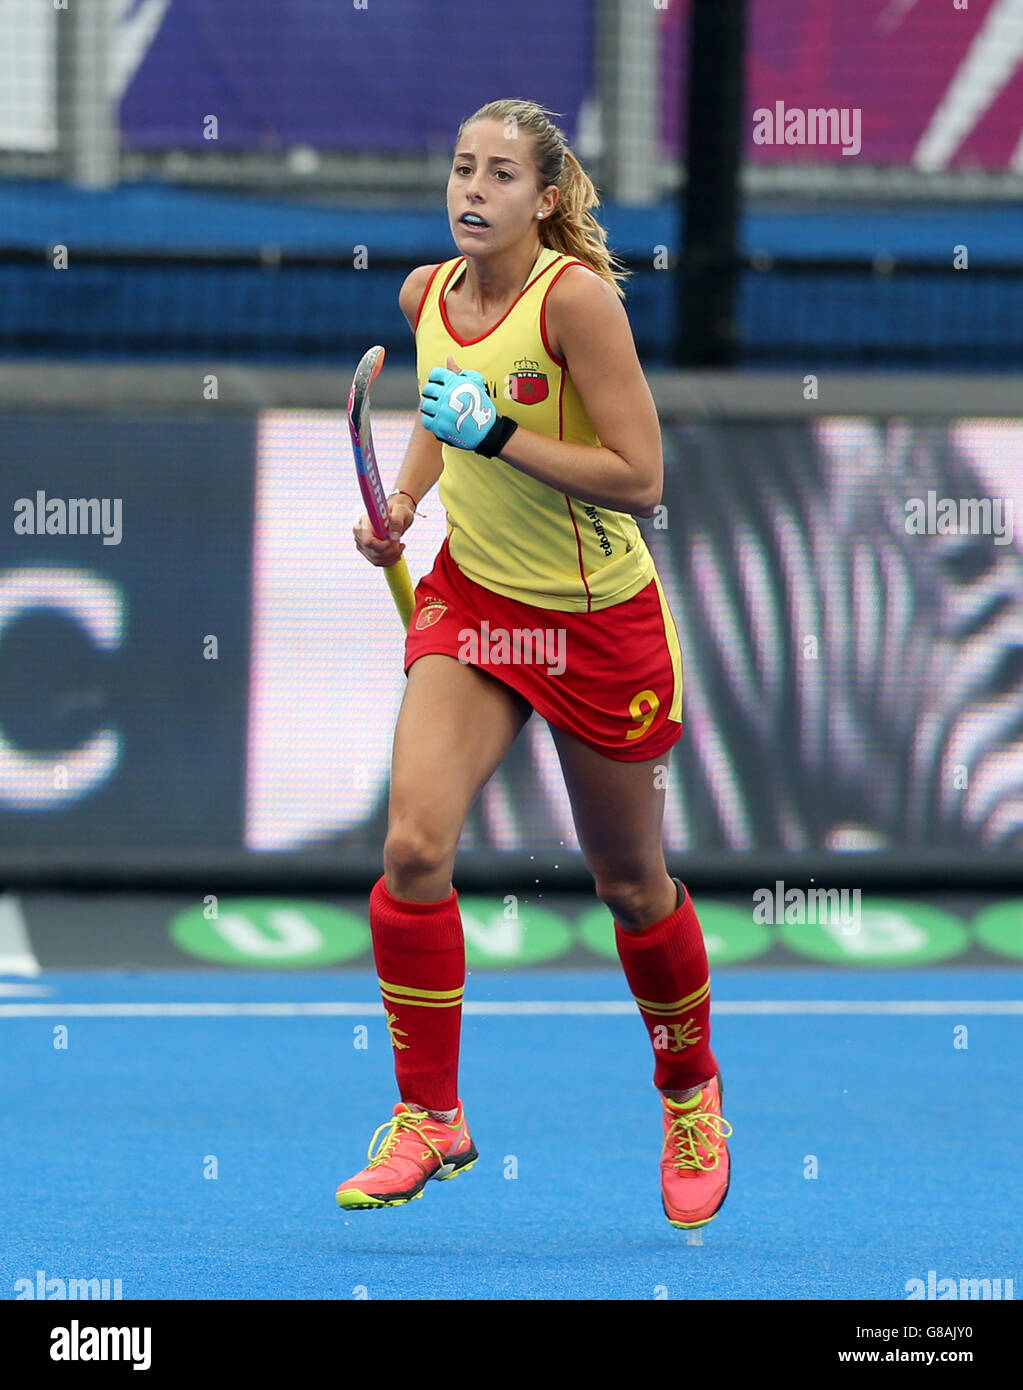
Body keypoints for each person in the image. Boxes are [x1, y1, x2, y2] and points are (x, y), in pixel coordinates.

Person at [337, 99, 732, 1229]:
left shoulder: (579, 304)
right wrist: (404, 504)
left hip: (597, 622)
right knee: (413, 844)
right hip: (475, 606)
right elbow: (436, 407)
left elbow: (641, 475)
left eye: (500, 175)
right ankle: (430, 1116)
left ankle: (690, 1092)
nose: (472, 190)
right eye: (461, 167)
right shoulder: (427, 295)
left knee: (630, 887)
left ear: (545, 197)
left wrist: (499, 434)